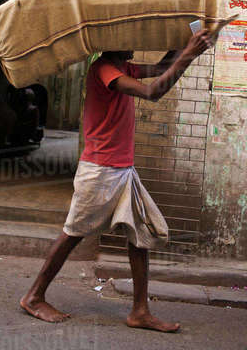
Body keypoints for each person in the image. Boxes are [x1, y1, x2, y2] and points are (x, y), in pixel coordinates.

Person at [20, 29, 213, 332]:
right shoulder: (104, 68)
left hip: (122, 170)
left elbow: (162, 70)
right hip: (100, 170)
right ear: (114, 42)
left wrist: (184, 43)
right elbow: (153, 92)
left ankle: (140, 311)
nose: (135, 42)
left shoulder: (126, 67)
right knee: (73, 233)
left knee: (138, 236)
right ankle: (34, 296)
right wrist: (188, 53)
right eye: (128, 37)